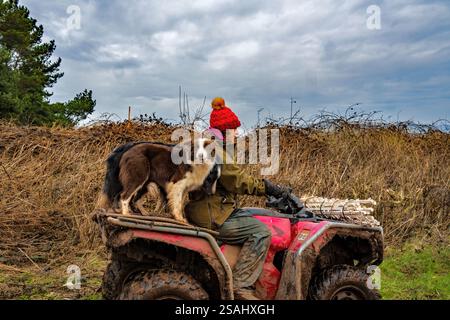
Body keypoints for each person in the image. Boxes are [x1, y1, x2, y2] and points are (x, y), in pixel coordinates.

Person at [184, 97, 289, 298]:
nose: (238, 134)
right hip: (212, 215)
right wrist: (267, 188)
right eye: (234, 130)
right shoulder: (217, 152)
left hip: (206, 209)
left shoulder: (205, 147)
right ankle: (240, 285)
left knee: (250, 215)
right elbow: (238, 181)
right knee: (260, 232)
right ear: (225, 132)